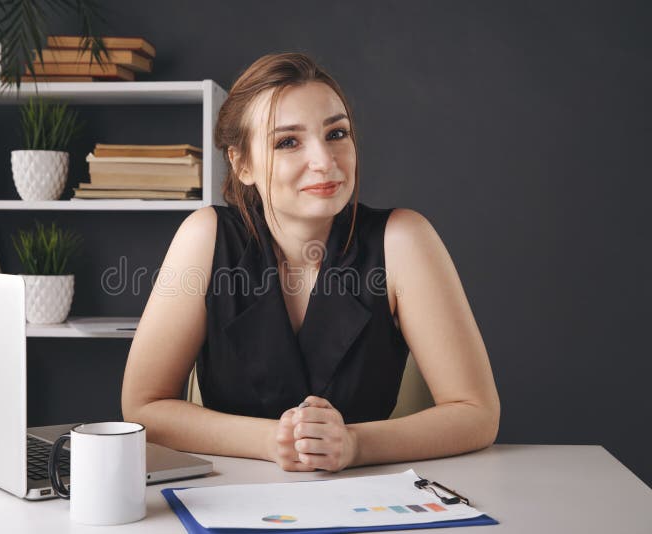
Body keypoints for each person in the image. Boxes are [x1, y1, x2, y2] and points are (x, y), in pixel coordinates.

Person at [121, 52, 499, 472]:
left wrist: (354, 445)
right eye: (288, 142)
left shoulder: (404, 239)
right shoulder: (205, 237)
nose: (325, 160)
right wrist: (270, 441)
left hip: (368, 499)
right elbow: (143, 408)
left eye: (336, 133)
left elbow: (477, 412)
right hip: (229, 500)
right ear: (241, 163)